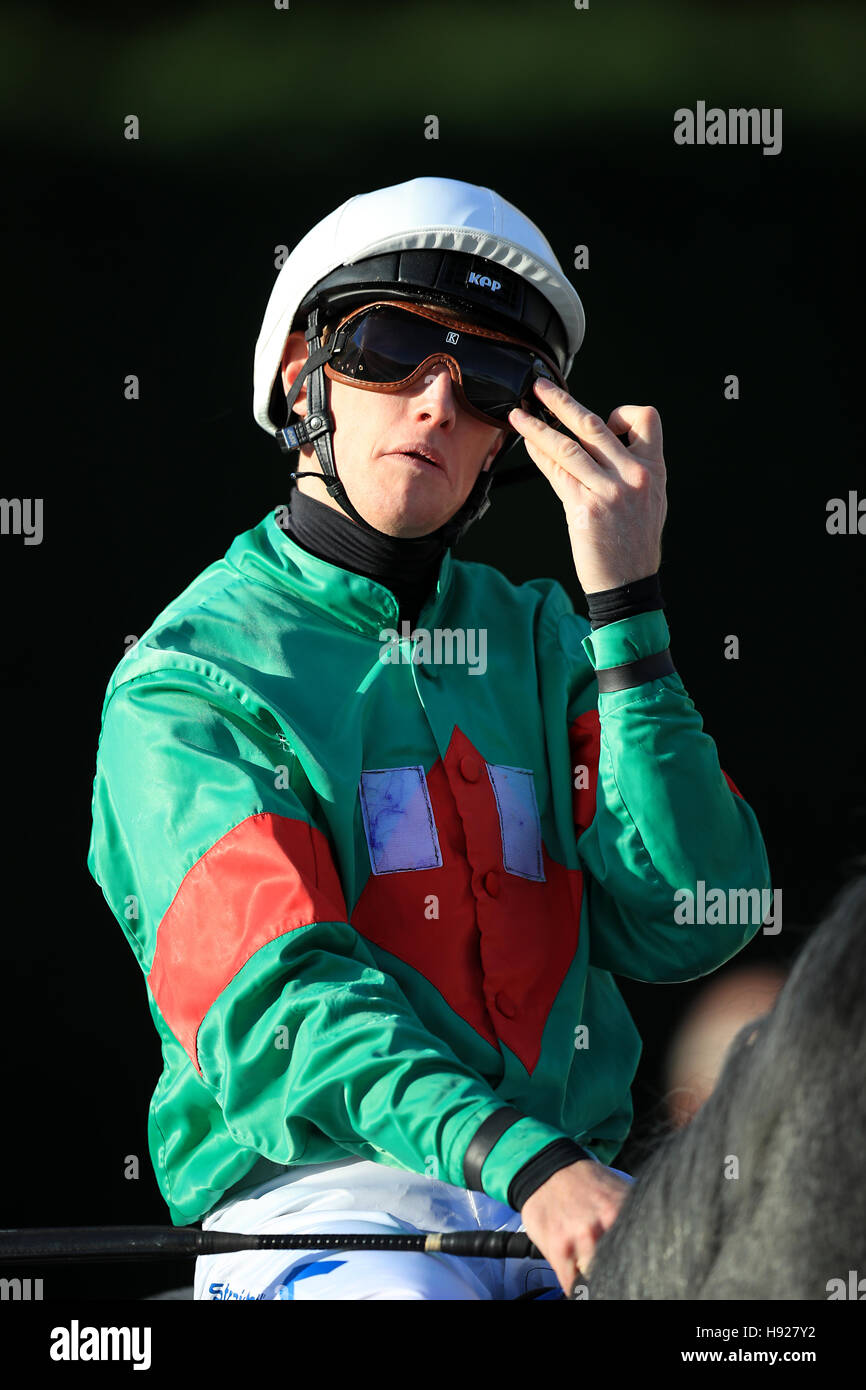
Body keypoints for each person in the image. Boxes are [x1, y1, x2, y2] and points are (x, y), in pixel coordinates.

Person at [87, 175, 772, 1300]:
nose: (435, 402)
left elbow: (696, 913)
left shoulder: (553, 638)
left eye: (490, 377)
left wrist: (626, 604)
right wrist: (526, 1161)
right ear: (304, 375)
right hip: (332, 1201)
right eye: (392, 344)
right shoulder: (184, 683)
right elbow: (281, 1004)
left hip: (575, 1195)